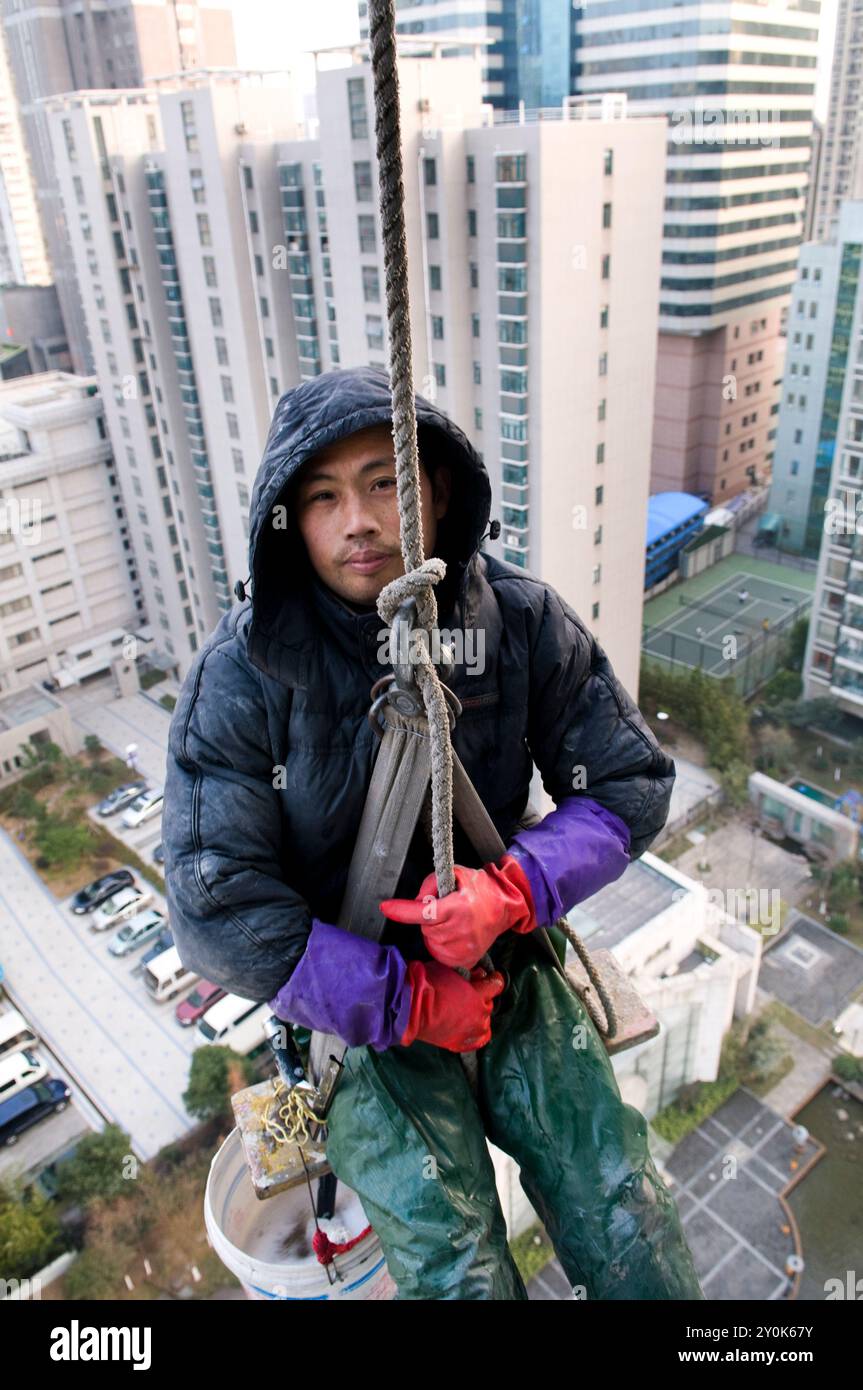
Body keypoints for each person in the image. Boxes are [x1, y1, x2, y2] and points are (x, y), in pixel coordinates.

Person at [162, 365, 704, 1302]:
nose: (360, 522)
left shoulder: (520, 622)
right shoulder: (246, 675)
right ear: (290, 522)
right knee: (457, 1269)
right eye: (324, 498)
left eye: (384, 482)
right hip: (362, 1015)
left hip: (507, 965)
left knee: (622, 1206)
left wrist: (513, 891)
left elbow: (629, 782)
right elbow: (217, 908)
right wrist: (407, 1001)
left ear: (436, 489)